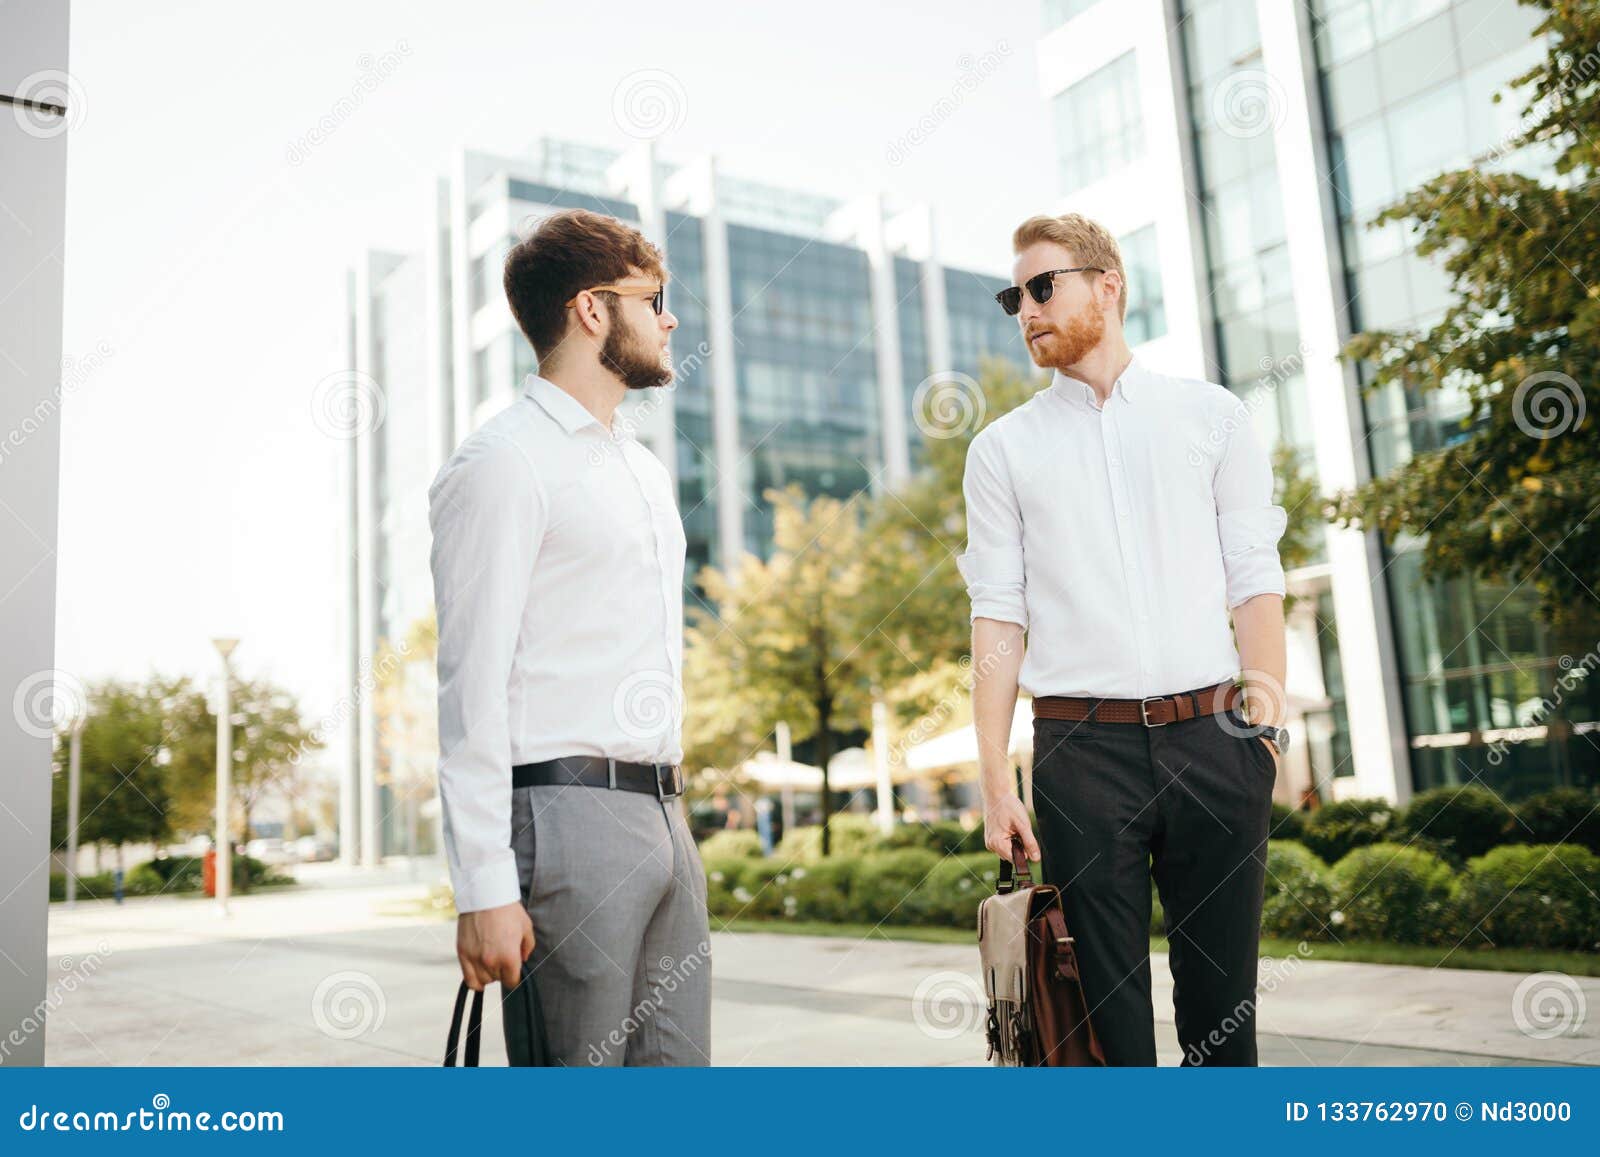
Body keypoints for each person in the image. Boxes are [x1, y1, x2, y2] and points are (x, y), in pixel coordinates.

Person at [960, 212, 1290, 1066]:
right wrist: (997, 776)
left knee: (1226, 1020)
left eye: (1043, 286)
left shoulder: (1213, 417)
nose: (1025, 309)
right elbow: (998, 614)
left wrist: (1268, 731)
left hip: (1218, 737)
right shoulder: (1002, 450)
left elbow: (1255, 576)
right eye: (1013, 295)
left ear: (1109, 286)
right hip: (1080, 750)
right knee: (1103, 1029)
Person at [428, 208, 710, 1066]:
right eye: (652, 298)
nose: (668, 319)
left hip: (666, 815)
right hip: (563, 818)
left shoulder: (642, 467)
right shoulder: (502, 464)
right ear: (593, 310)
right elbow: (469, 682)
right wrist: (482, 884)